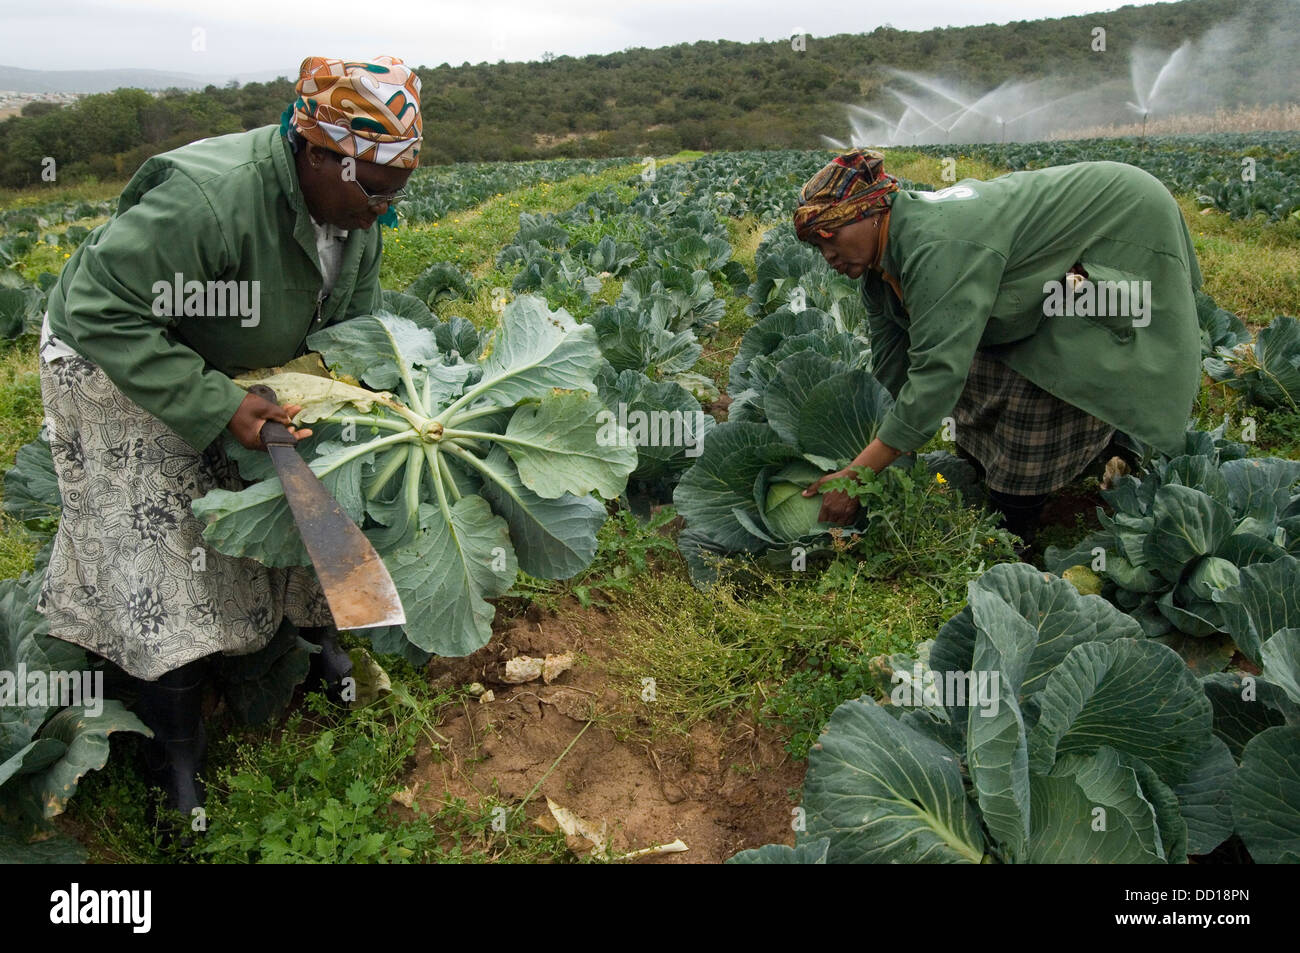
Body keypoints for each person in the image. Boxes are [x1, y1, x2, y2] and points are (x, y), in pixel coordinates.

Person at [35, 55, 422, 822]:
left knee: (317, 475)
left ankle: (317, 642)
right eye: (371, 190)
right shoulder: (210, 199)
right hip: (114, 355)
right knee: (166, 533)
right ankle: (174, 749)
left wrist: (358, 394)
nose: (381, 210)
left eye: (394, 193)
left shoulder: (357, 217)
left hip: (231, 351)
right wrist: (216, 402)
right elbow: (100, 309)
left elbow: (347, 330)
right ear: (317, 153)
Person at [794, 150, 1202, 552]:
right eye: (816, 246)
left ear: (872, 212)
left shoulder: (936, 248)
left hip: (1123, 217)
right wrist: (867, 451)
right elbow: (891, 367)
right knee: (992, 350)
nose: (827, 256)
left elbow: (936, 376)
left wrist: (857, 476)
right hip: (1051, 243)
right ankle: (1019, 468)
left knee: (1080, 350)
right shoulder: (880, 275)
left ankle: (1024, 519)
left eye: (829, 237)